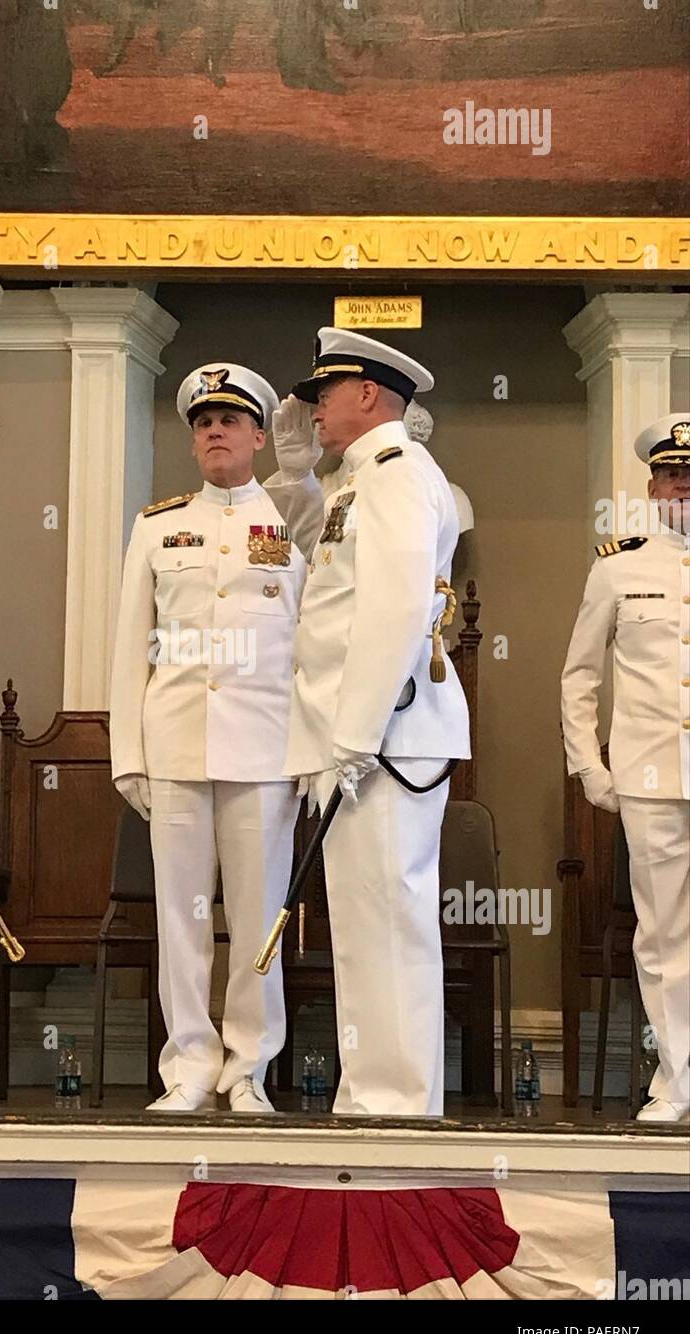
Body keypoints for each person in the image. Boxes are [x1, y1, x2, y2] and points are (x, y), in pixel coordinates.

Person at [265, 328, 469, 1116]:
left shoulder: (394, 474)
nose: (314, 408)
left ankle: (396, 1100)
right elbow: (316, 565)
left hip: (384, 740)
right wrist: (291, 475)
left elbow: (393, 610)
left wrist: (352, 733)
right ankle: (372, 1092)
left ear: (367, 396)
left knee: (388, 919)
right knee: (360, 923)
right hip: (358, 739)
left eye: (325, 393)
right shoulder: (358, 481)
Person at [109, 363, 305, 1112]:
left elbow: (311, 649)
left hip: (265, 749)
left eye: (229, 419)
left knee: (257, 921)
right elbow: (132, 644)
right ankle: (188, 1062)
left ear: (259, 434)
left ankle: (247, 1065)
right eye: (202, 422)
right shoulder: (157, 527)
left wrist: (310, 753)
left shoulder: (293, 521)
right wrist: (130, 753)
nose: (214, 431)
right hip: (177, 745)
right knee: (181, 916)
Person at [561, 413, 690, 1124]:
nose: (683, 486)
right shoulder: (618, 563)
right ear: (651, 485)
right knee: (662, 931)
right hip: (648, 777)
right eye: (672, 474)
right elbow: (577, 677)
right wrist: (590, 768)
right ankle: (676, 1079)